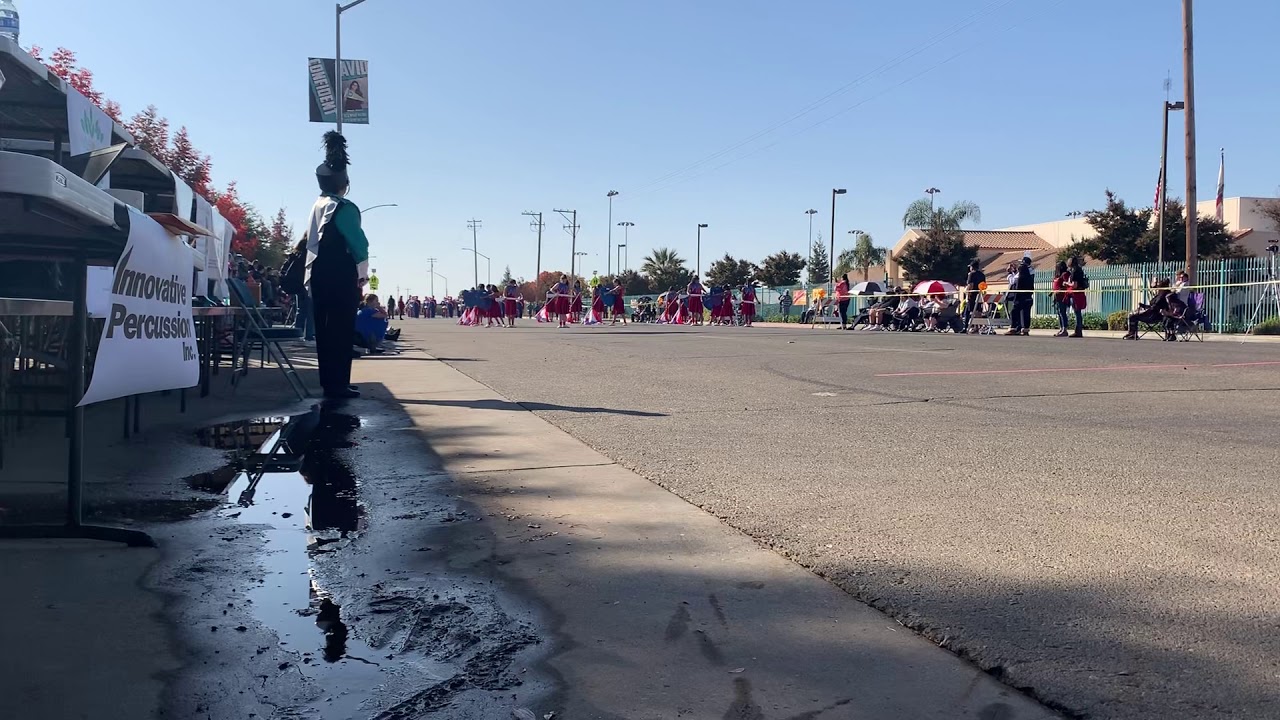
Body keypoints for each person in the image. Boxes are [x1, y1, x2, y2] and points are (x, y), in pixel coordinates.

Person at [306, 131, 368, 399]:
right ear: (344, 182)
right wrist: (362, 275)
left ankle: (328, 382)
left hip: (317, 273)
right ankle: (339, 383)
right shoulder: (344, 207)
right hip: (341, 276)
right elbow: (359, 244)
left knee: (324, 329)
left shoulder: (318, 205)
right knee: (341, 329)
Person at [1005, 257, 1034, 336]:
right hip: (1028, 297)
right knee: (1026, 314)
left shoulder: (1020, 277)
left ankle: (1013, 328)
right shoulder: (1030, 274)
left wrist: (1010, 273)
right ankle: (1025, 329)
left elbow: (1013, 281)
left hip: (1020, 297)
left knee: (1014, 312)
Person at [1067, 256, 1088, 338]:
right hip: (1080, 292)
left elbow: (1074, 285)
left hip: (1076, 294)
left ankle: (1078, 331)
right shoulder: (1079, 269)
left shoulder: (1075, 271)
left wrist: (1066, 283)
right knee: (1078, 312)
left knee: (1077, 312)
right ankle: (1078, 330)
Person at [962, 259, 985, 332]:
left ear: (972, 267)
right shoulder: (982, 275)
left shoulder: (971, 274)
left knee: (968, 311)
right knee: (978, 311)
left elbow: (970, 285)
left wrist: (968, 293)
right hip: (979, 294)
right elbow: (983, 285)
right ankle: (978, 326)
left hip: (972, 295)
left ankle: (966, 327)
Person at [1052, 261, 1073, 337]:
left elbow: (1067, 285)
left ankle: (1065, 329)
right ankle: (1061, 328)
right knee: (1059, 313)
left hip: (1063, 297)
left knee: (1062, 312)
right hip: (1057, 297)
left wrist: (1061, 289)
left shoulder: (1065, 274)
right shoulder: (1057, 276)